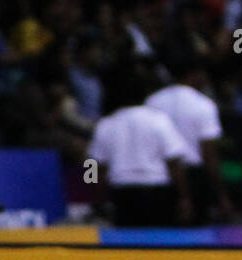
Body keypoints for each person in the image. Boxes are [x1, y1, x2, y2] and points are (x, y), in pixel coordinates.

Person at [88, 69, 194, 226]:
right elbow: (174, 161)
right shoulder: (159, 120)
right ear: (145, 94)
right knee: (158, 244)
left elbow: (94, 167)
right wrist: (184, 197)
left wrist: (97, 198)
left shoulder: (106, 125)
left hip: (122, 193)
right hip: (157, 192)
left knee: (125, 246)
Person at [145, 58, 233, 223]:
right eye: (203, 73)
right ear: (194, 74)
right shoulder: (204, 104)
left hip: (159, 177)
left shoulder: (152, 101)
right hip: (193, 179)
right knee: (195, 237)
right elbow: (209, 153)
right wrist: (221, 194)